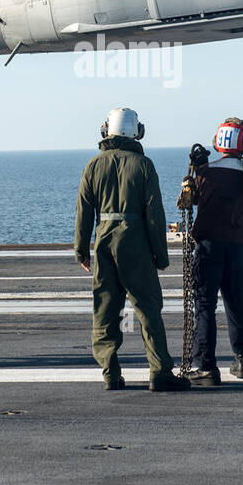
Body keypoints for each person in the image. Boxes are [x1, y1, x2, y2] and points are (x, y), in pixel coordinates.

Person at [75, 108, 190, 392]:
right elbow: (155, 214)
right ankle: (159, 372)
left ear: (106, 131)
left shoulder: (92, 166)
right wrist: (160, 255)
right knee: (148, 308)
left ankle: (110, 374)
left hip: (103, 243)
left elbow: (83, 212)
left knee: (104, 310)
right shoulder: (144, 165)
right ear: (136, 132)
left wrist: (81, 251)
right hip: (136, 243)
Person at [181, 118, 243, 384]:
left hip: (208, 246)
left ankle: (205, 367)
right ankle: (242, 359)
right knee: (238, 301)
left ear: (219, 142)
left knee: (204, 303)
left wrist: (196, 168)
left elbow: (186, 202)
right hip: (238, 245)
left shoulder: (204, 172)